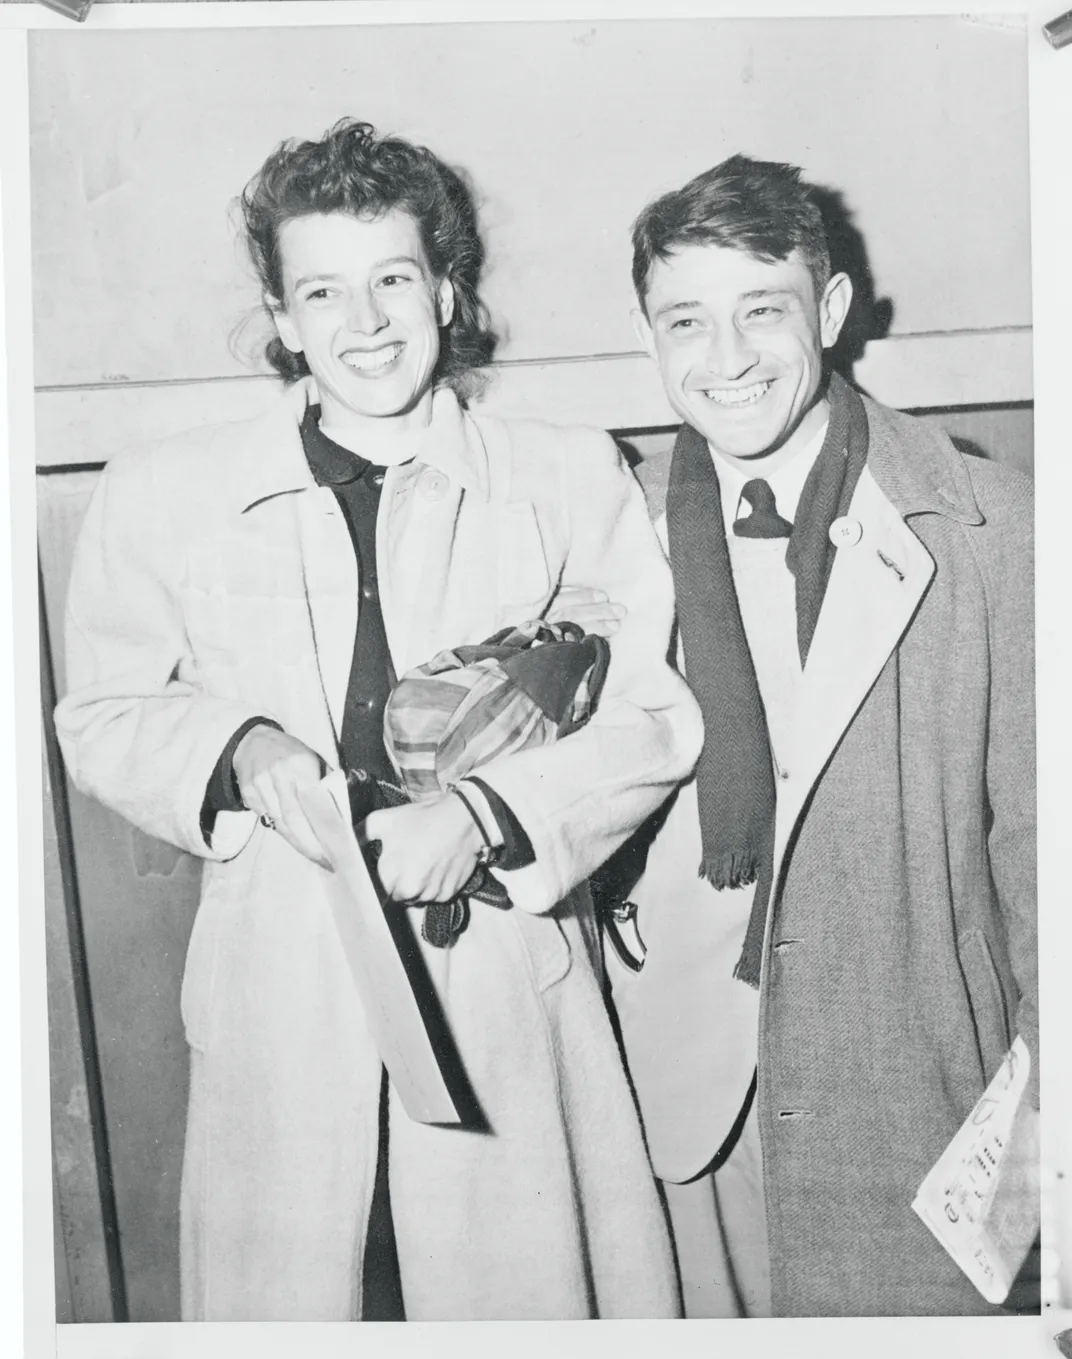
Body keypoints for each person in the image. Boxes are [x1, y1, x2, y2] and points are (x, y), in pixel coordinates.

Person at [54, 119, 703, 1322]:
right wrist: (238, 753)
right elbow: (102, 712)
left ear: (446, 291)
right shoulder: (161, 492)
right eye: (323, 291)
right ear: (282, 314)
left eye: (394, 280)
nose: (365, 323)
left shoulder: (565, 477)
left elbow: (652, 717)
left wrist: (486, 813)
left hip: (507, 987)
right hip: (278, 1001)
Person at [604, 154, 1037, 1318]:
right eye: (684, 319)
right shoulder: (614, 536)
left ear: (832, 312)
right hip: (689, 1092)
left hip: (924, 1099)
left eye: (763, 311)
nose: (726, 357)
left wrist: (1039, 1178)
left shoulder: (997, 534)